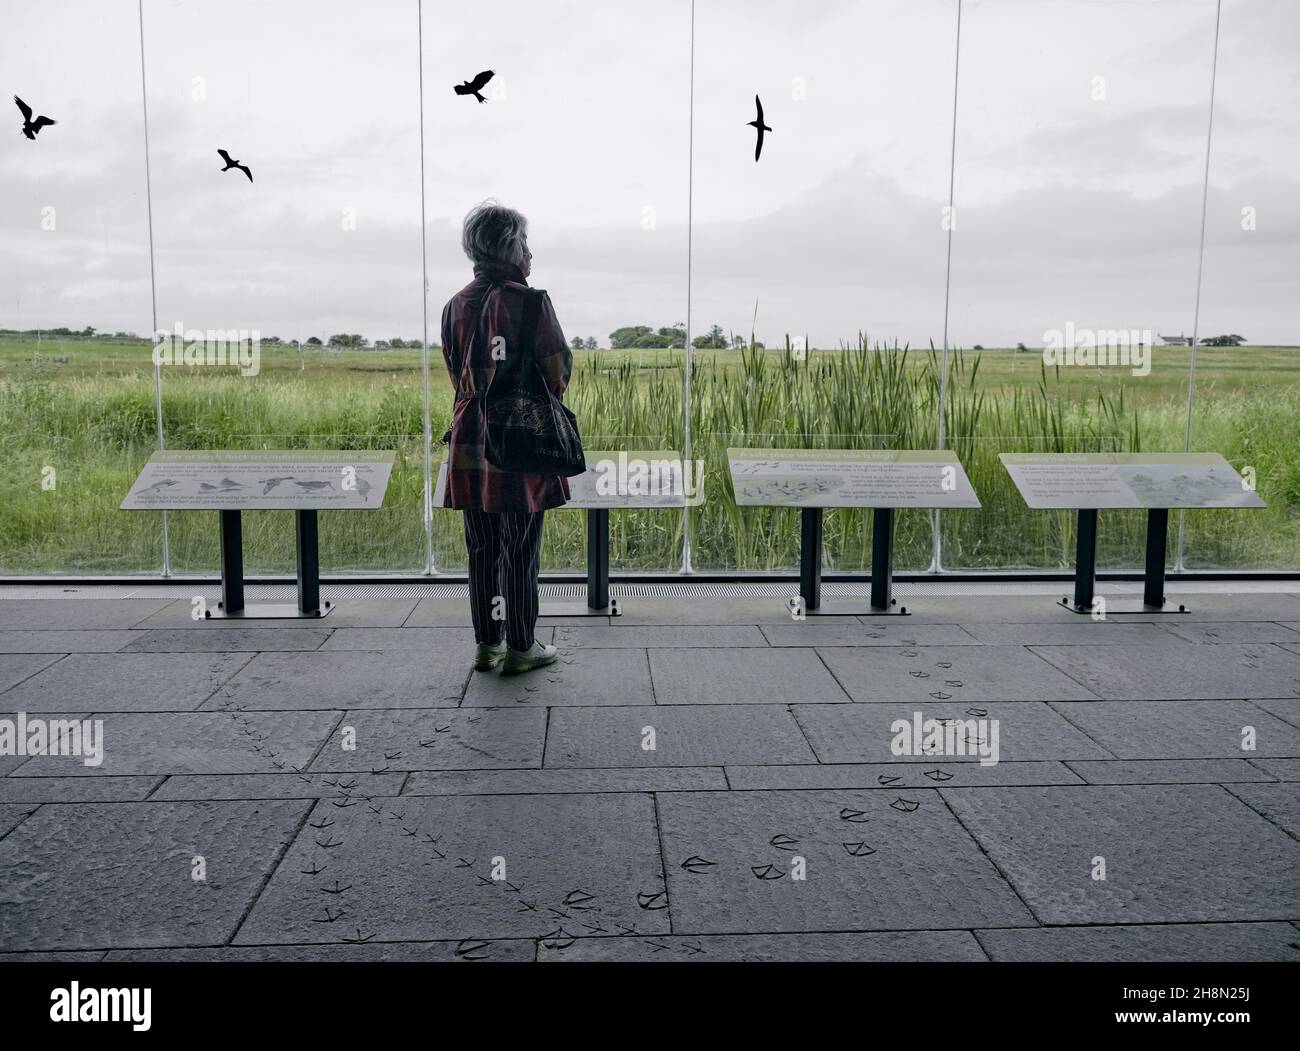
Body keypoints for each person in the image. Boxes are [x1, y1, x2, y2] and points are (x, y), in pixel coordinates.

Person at [441, 200, 572, 674]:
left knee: (481, 546)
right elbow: (557, 375)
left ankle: (486, 644)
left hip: (468, 436)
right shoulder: (531, 301)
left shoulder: (455, 304)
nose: (530, 251)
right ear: (511, 246)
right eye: (525, 242)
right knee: (520, 546)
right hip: (517, 439)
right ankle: (521, 646)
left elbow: (458, 373)